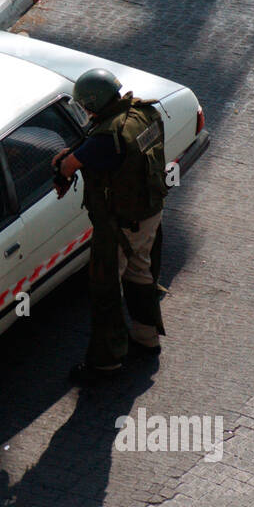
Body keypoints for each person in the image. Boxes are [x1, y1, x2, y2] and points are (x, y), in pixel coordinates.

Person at [52, 68, 170, 376]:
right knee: (140, 271)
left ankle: (107, 360)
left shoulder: (106, 139)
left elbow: (69, 165)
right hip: (150, 212)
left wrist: (62, 170)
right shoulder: (143, 113)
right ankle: (147, 338)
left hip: (120, 225)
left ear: (93, 103)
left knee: (105, 288)